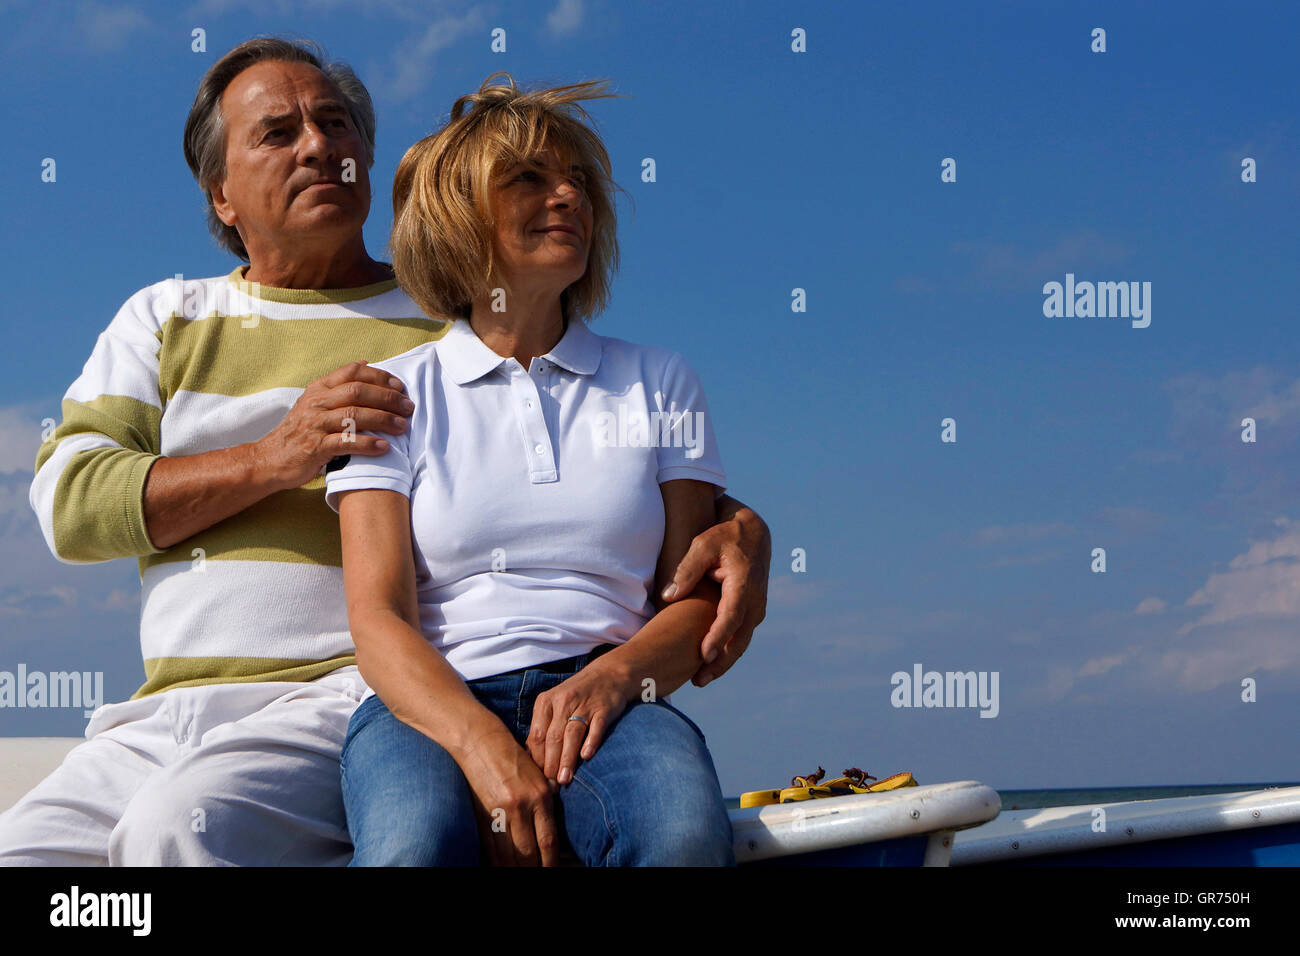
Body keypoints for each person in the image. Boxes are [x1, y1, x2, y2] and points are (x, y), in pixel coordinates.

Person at [0, 38, 768, 867]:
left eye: (335, 125)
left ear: (368, 156)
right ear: (221, 195)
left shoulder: (454, 318)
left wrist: (742, 526)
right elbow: (72, 505)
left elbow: (576, 434)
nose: (318, 146)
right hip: (167, 712)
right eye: (279, 133)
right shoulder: (163, 318)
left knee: (177, 833)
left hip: (348, 695)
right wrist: (277, 455)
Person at [324, 74, 738, 866]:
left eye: (578, 180)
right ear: (459, 217)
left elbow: (692, 601)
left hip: (614, 702)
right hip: (432, 705)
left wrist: (614, 682)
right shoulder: (389, 394)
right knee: (414, 848)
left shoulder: (662, 380)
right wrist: (480, 742)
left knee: (681, 835)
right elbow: (376, 621)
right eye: (530, 179)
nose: (568, 196)